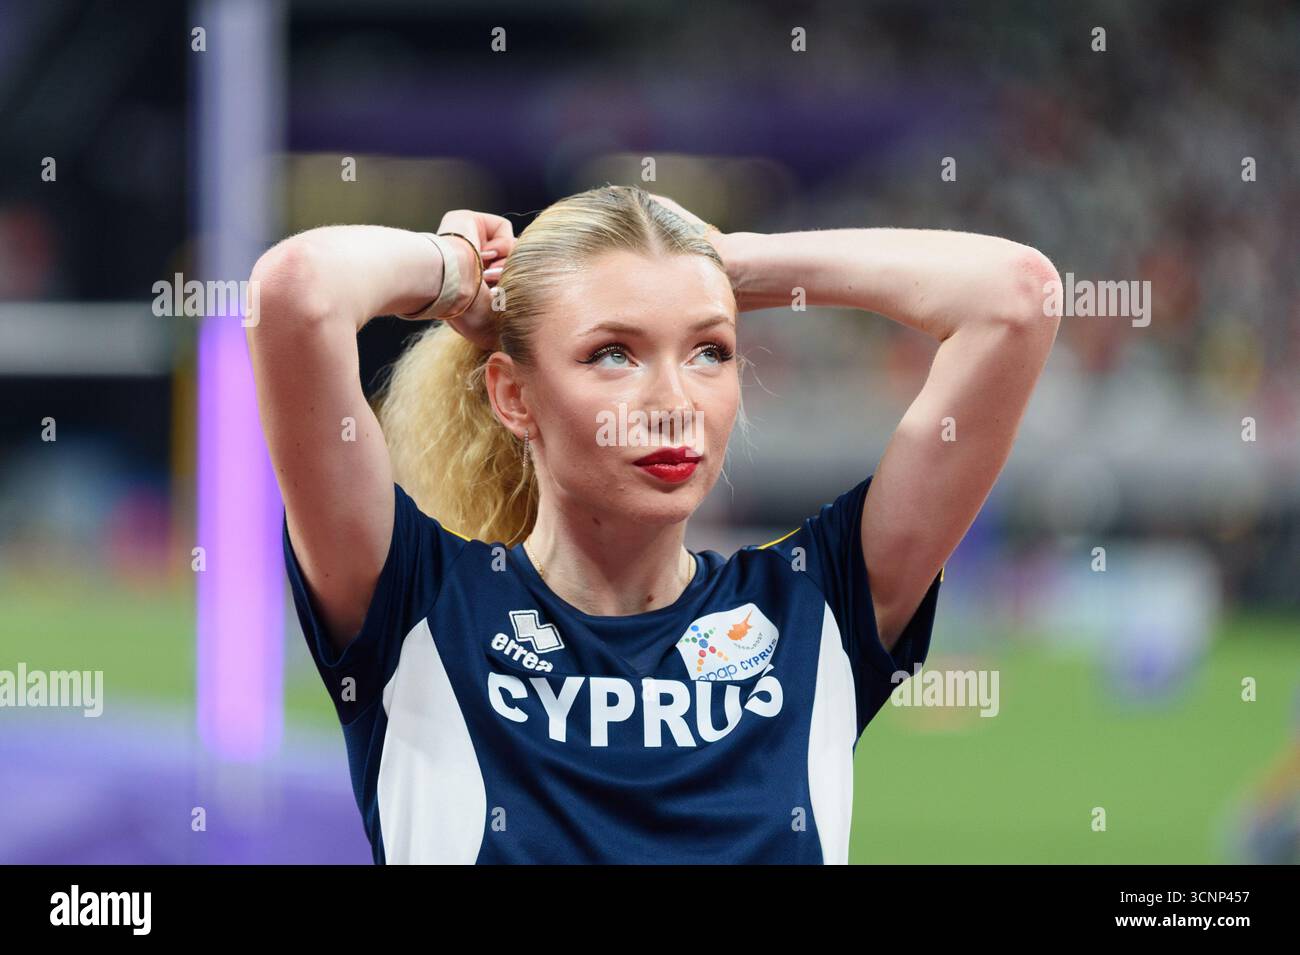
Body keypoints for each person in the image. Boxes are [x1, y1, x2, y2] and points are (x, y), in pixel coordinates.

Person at [246, 184, 1061, 863]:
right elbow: (297, 292)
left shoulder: (817, 609)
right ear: (513, 395)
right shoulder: (416, 604)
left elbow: (1016, 298)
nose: (674, 403)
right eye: (614, 352)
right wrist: (458, 273)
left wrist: (727, 262)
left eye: (709, 349)